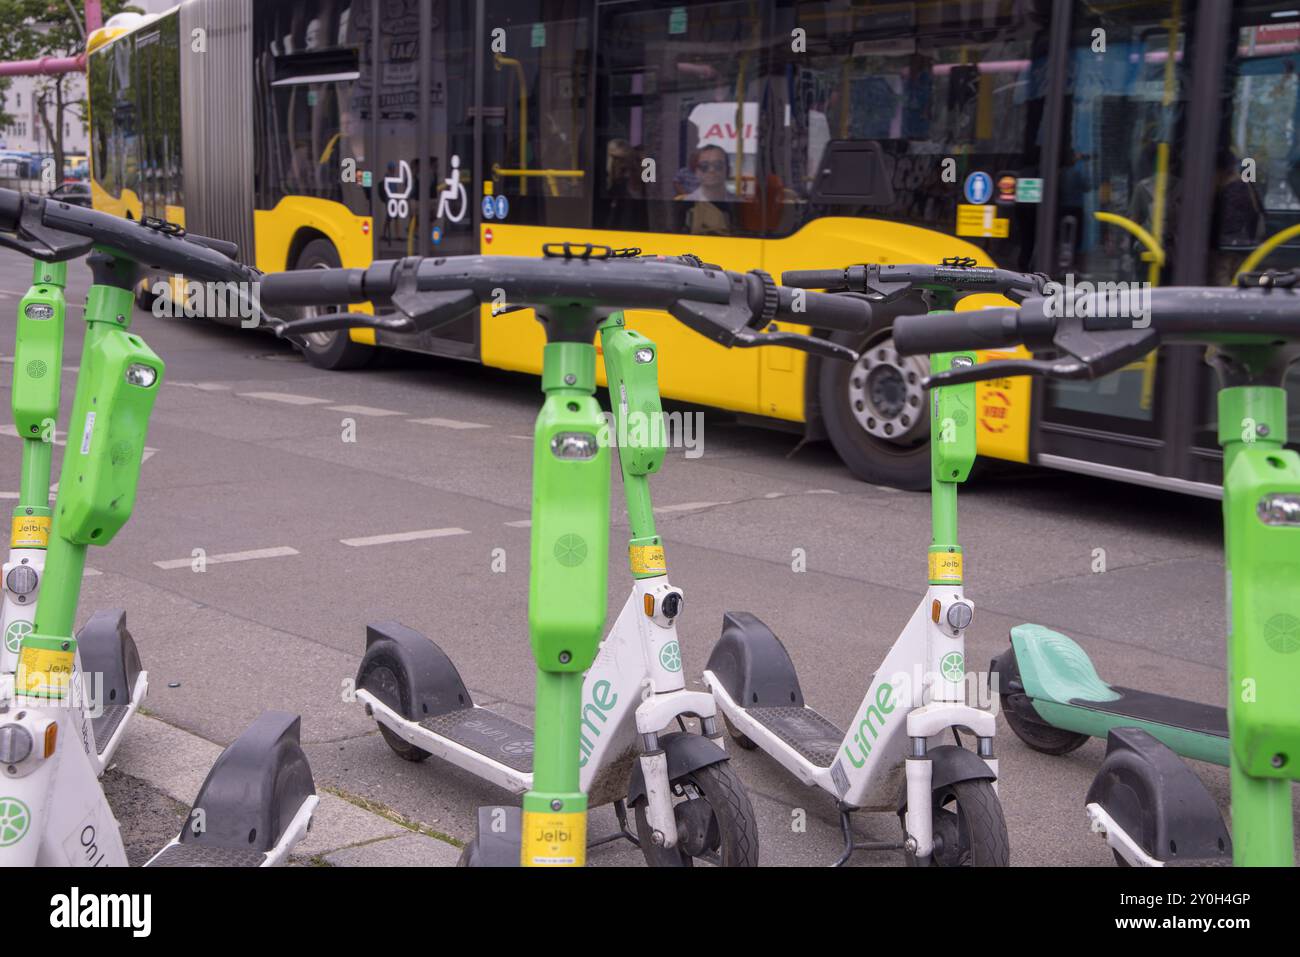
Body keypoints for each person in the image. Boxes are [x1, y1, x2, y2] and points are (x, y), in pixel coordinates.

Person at [677, 144, 731, 235]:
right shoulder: (685, 204)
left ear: (728, 171)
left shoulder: (741, 205)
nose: (711, 170)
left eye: (718, 165)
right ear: (696, 172)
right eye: (704, 166)